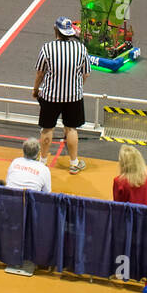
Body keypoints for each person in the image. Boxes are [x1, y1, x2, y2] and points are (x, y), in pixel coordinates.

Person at [34, 17, 90, 175]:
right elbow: (85, 74)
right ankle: (74, 163)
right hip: (74, 96)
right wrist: (77, 88)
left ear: (56, 30)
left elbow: (40, 72)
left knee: (47, 128)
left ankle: (42, 162)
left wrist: (35, 89)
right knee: (71, 129)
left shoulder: (47, 48)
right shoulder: (81, 48)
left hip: (51, 96)